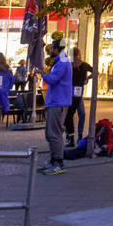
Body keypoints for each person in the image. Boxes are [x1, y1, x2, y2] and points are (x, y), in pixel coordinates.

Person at [39, 38, 72, 175]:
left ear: (57, 49)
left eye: (52, 48)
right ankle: (53, 160)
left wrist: (43, 74)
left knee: (55, 134)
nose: (50, 50)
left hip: (58, 102)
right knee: (50, 133)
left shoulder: (62, 62)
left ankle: (58, 163)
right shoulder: (60, 62)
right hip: (55, 101)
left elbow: (53, 79)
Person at [65, 48, 93, 146]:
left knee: (69, 114)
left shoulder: (69, 65)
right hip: (78, 93)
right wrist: (86, 78)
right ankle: (79, 136)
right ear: (78, 54)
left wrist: (86, 78)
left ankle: (70, 136)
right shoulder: (83, 64)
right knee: (81, 114)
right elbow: (95, 72)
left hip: (69, 92)